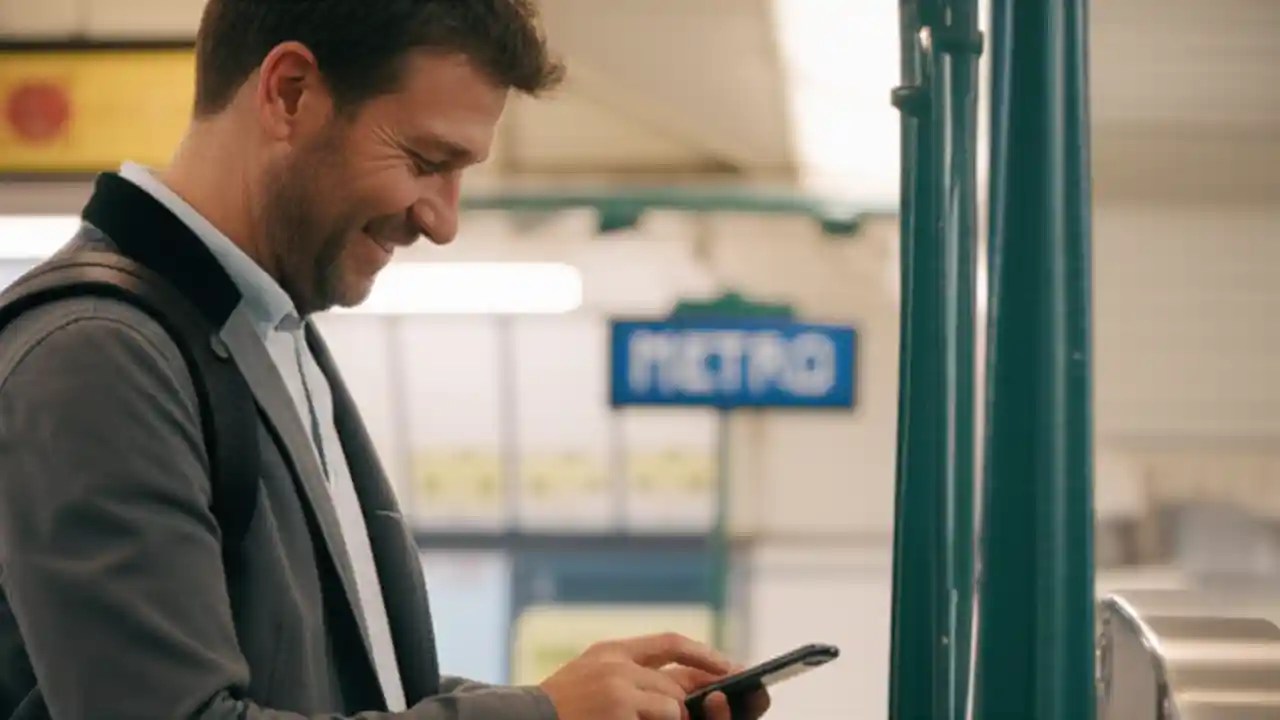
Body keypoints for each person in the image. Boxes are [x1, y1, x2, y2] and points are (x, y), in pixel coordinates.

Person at [0, 1, 771, 719]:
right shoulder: (97, 357)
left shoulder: (266, 340)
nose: (442, 221)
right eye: (426, 160)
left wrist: (585, 703)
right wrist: (539, 716)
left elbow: (340, 691)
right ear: (290, 92)